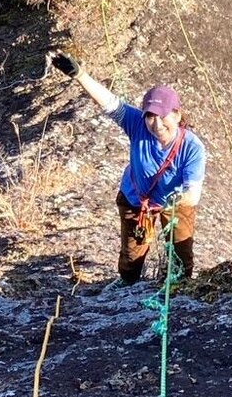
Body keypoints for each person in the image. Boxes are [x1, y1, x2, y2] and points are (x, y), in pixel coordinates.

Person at [50, 54, 206, 283]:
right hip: (136, 199)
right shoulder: (137, 124)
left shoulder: (192, 148)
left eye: (163, 116)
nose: (156, 124)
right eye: (150, 116)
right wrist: (80, 75)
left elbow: (193, 194)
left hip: (175, 203)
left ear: (177, 115)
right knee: (132, 258)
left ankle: (179, 285)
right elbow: (110, 103)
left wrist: (178, 200)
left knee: (182, 255)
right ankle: (127, 282)